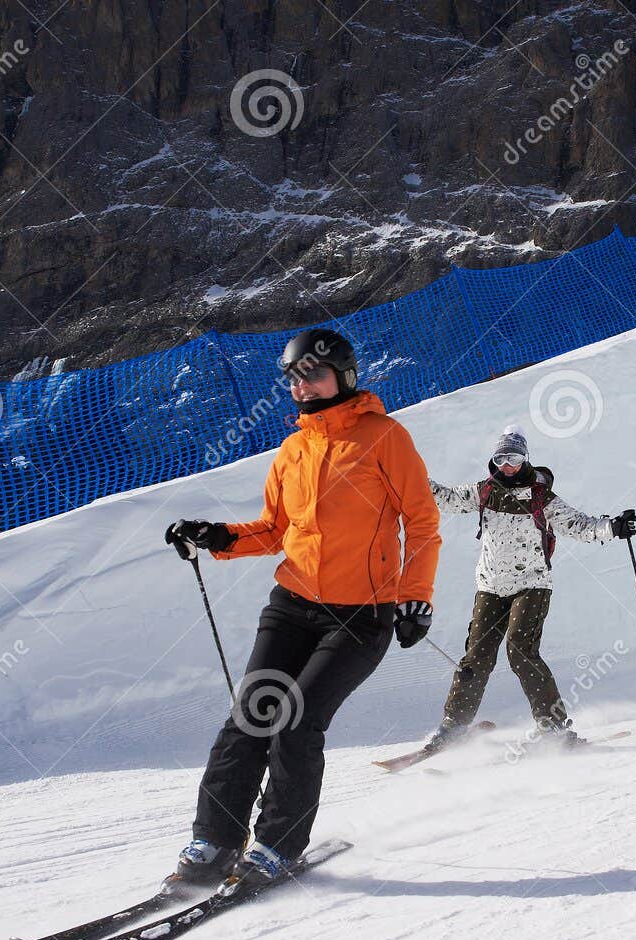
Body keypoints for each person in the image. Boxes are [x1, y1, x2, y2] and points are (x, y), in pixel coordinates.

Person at [165, 328, 441, 887]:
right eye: (294, 378)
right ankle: (214, 842)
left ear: (345, 375)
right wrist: (215, 535)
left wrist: (416, 596)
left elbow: (423, 522)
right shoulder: (294, 448)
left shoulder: (385, 437)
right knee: (252, 716)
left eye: (314, 374)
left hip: (360, 615)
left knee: (296, 722)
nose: (303, 387)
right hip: (292, 605)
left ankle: (276, 846)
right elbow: (274, 530)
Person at [424, 424, 636, 752]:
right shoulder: (483, 491)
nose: (506, 464)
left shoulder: (542, 498)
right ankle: (454, 725)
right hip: (491, 585)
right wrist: (409, 477)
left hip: (532, 585)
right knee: (476, 656)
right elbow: (447, 499)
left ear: (525, 459)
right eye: (500, 457)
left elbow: (578, 525)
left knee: (520, 650)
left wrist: (612, 527)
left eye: (513, 457)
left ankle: (553, 728)